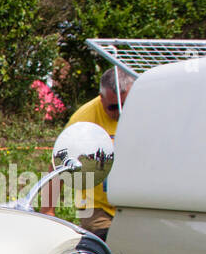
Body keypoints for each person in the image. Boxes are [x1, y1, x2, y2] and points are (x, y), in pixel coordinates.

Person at [40, 66, 136, 238]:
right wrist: (48, 210)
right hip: (98, 206)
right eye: (113, 107)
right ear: (101, 98)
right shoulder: (84, 119)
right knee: (105, 242)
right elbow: (58, 165)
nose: (120, 112)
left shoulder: (145, 111)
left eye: (125, 104)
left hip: (134, 203)